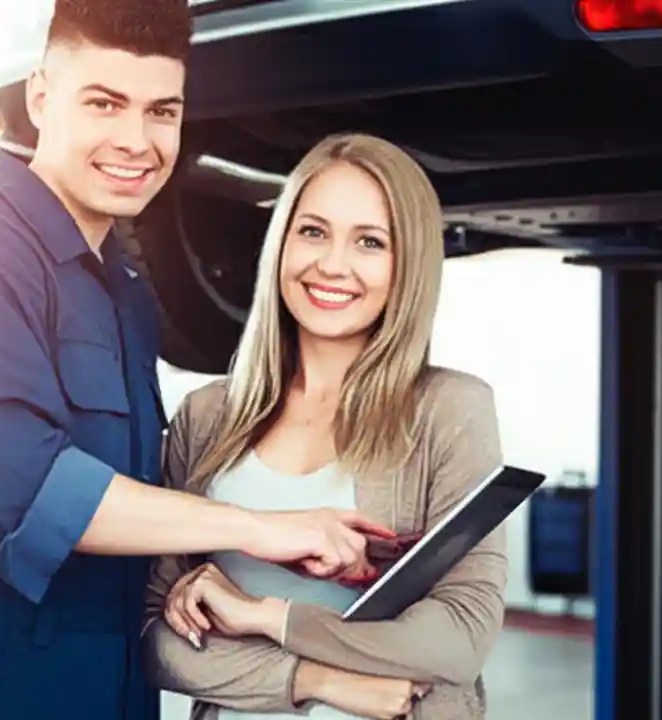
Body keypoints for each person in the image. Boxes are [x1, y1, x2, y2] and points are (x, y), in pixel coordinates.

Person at [0, 3, 392, 718]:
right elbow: (26, 496)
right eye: (105, 104)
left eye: (161, 111)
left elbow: (138, 490)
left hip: (112, 669)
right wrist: (262, 527)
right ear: (42, 98)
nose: (137, 141)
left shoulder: (122, 285)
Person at [143, 133, 508, 720]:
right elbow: (156, 639)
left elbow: (458, 640)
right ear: (281, 243)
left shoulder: (451, 410)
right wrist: (316, 679)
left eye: (369, 241)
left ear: (406, 266)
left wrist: (267, 616)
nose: (332, 264)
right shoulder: (208, 415)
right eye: (312, 231)